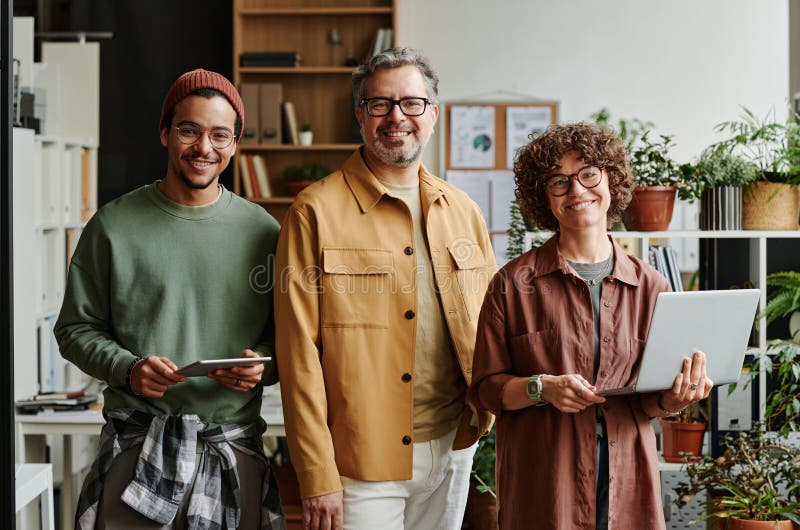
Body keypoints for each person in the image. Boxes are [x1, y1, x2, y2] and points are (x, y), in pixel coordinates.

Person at [274, 47, 495, 530]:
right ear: (360, 116)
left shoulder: (463, 211)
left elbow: (489, 324)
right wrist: (316, 474)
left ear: (432, 115)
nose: (397, 117)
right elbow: (297, 355)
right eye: (380, 104)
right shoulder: (314, 211)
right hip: (359, 462)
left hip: (454, 446)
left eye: (412, 103)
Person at [54, 68, 285, 530]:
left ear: (235, 143)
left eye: (220, 135)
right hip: (135, 452)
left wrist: (262, 364)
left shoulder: (265, 232)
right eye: (189, 130)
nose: (204, 148)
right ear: (165, 133)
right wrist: (128, 367)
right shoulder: (113, 225)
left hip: (232, 452)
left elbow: (292, 340)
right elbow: (75, 329)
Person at [467, 122, 714, 530]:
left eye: (588, 174)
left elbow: (651, 400)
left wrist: (677, 399)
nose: (577, 191)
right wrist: (540, 388)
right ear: (543, 197)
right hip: (546, 480)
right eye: (559, 182)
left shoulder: (652, 286)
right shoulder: (512, 283)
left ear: (611, 181)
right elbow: (485, 390)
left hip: (627, 475)